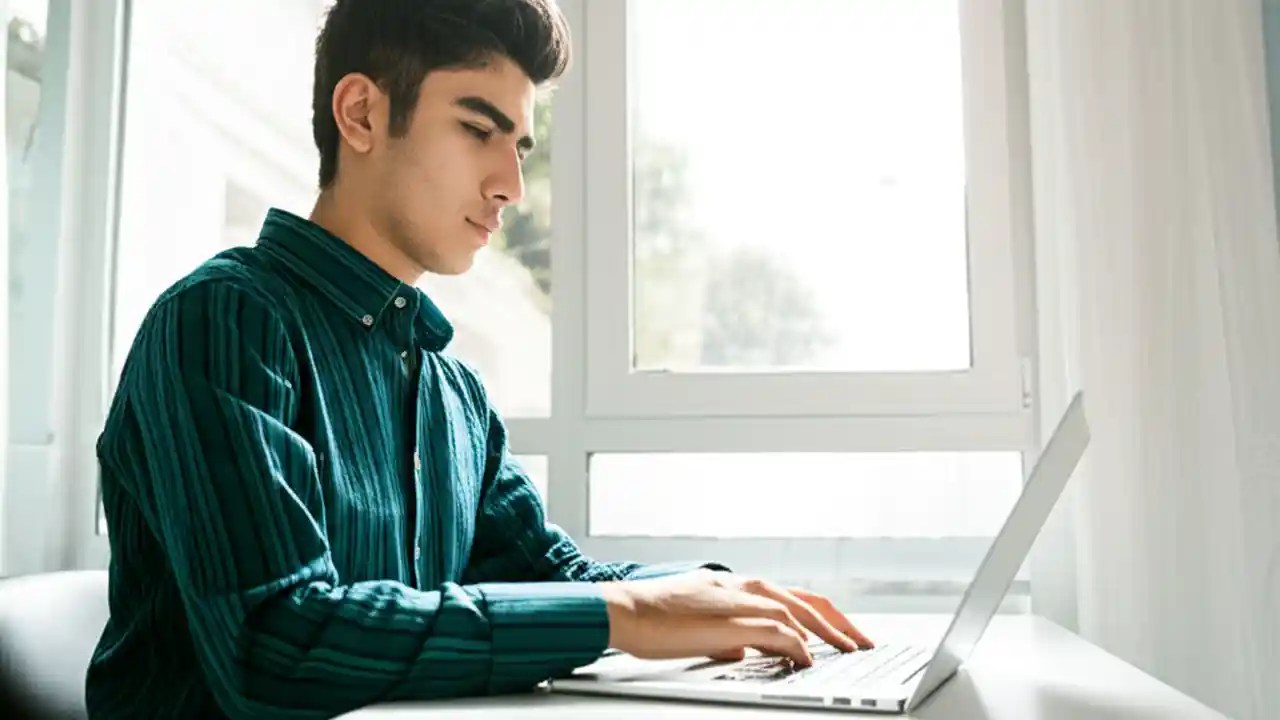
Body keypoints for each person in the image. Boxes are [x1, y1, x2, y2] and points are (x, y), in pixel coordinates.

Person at [86, 1, 872, 717]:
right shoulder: (223, 321)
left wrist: (715, 596)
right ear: (360, 113)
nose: (512, 185)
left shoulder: (451, 392)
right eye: (477, 129)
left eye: (521, 145)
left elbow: (551, 578)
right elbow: (274, 646)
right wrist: (629, 617)